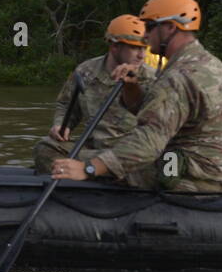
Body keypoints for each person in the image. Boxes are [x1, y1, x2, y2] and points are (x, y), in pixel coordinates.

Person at [51, 0, 222, 192]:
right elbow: (164, 114)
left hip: (189, 175)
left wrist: (88, 168)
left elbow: (147, 144)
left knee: (58, 157)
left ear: (170, 27)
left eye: (149, 27)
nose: (145, 35)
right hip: (212, 169)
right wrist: (132, 88)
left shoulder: (177, 78)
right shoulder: (209, 62)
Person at [32, 15, 155, 174]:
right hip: (93, 150)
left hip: (129, 154)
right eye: (135, 48)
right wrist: (62, 125)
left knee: (159, 162)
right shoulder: (85, 71)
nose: (142, 55)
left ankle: (88, 172)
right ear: (114, 47)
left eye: (144, 48)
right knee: (45, 148)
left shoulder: (153, 78)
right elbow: (66, 104)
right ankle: (95, 172)